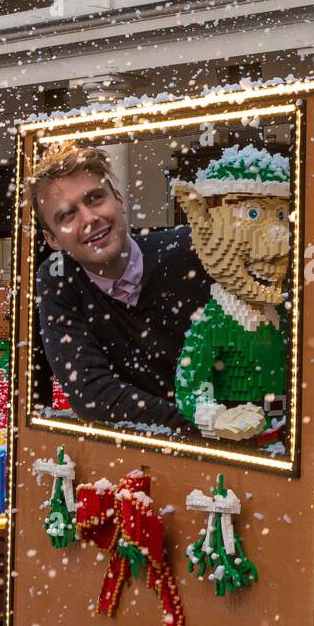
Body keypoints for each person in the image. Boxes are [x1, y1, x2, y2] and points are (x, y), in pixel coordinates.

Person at [32, 143, 209, 426]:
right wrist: (198, 430)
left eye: (94, 198)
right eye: (67, 215)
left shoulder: (191, 249)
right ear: (52, 239)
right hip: (157, 454)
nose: (89, 219)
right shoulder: (58, 278)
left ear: (120, 199)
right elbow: (92, 395)